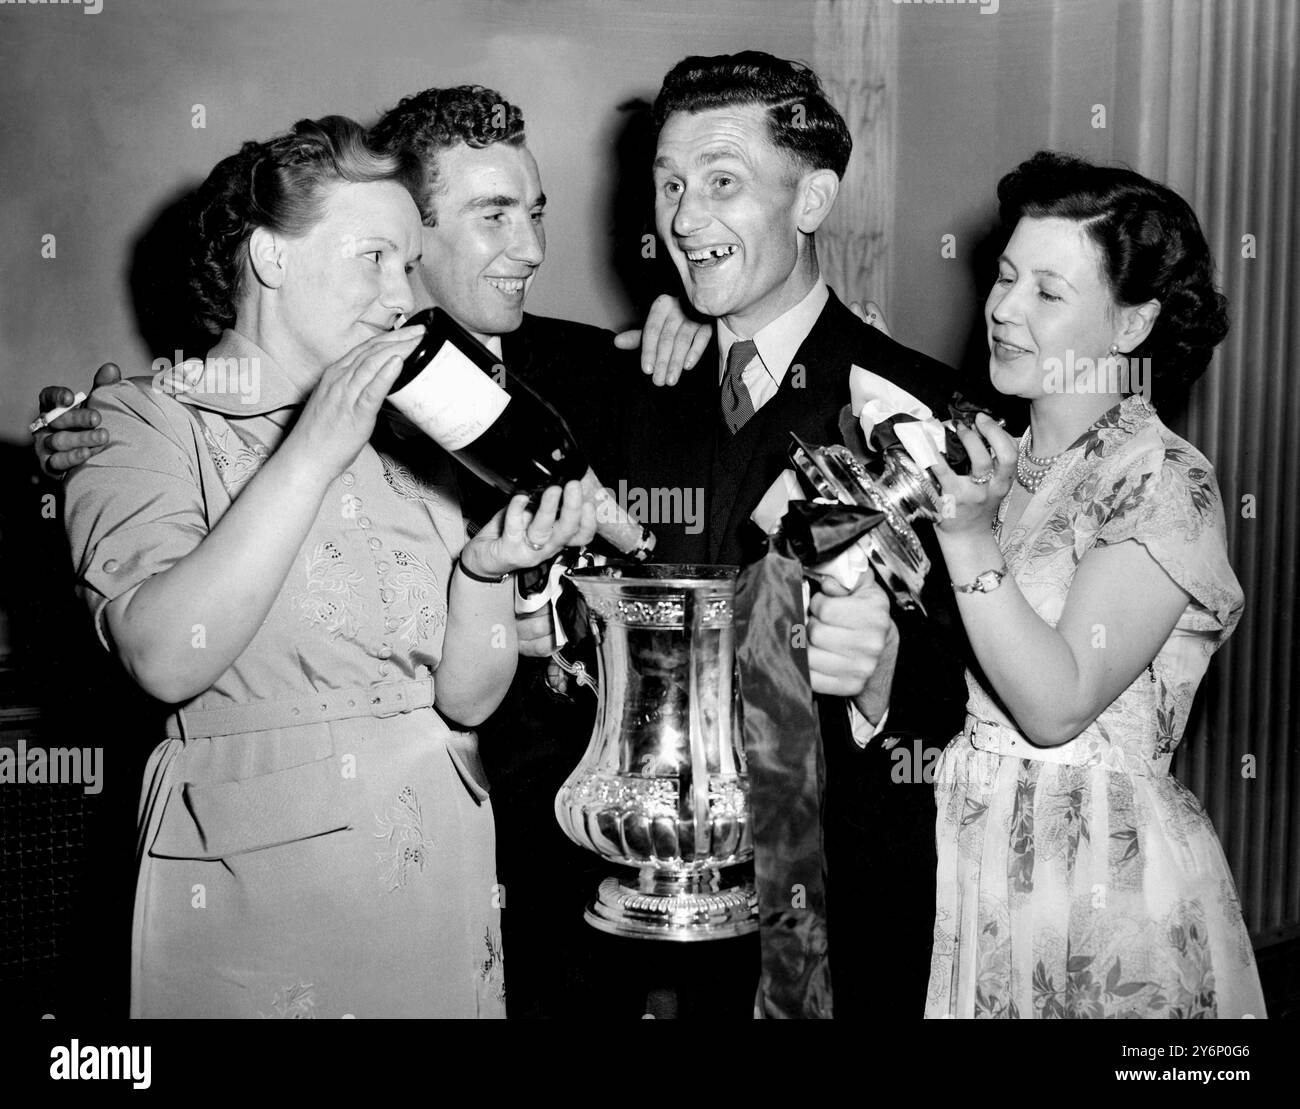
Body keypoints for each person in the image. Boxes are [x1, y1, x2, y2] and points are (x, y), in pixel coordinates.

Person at [60, 115, 595, 1018]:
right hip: (266, 903)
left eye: (409, 264)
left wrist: (483, 571)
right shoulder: (142, 419)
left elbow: (465, 700)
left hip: (445, 880)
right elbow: (162, 656)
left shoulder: (412, 440)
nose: (403, 295)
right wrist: (310, 452)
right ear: (269, 259)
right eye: (374, 258)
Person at [600, 51, 972, 1017]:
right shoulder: (634, 389)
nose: (685, 219)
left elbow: (973, 684)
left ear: (812, 199)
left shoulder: (920, 405)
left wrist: (885, 670)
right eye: (671, 185)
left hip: (846, 914)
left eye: (723, 183)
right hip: (651, 916)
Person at [924, 151, 1266, 1018]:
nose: (1002, 309)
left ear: (1130, 324)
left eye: (1047, 291)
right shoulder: (992, 461)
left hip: (1098, 887)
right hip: (980, 864)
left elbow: (1059, 700)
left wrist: (964, 537)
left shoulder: (1163, 480)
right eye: (1005, 277)